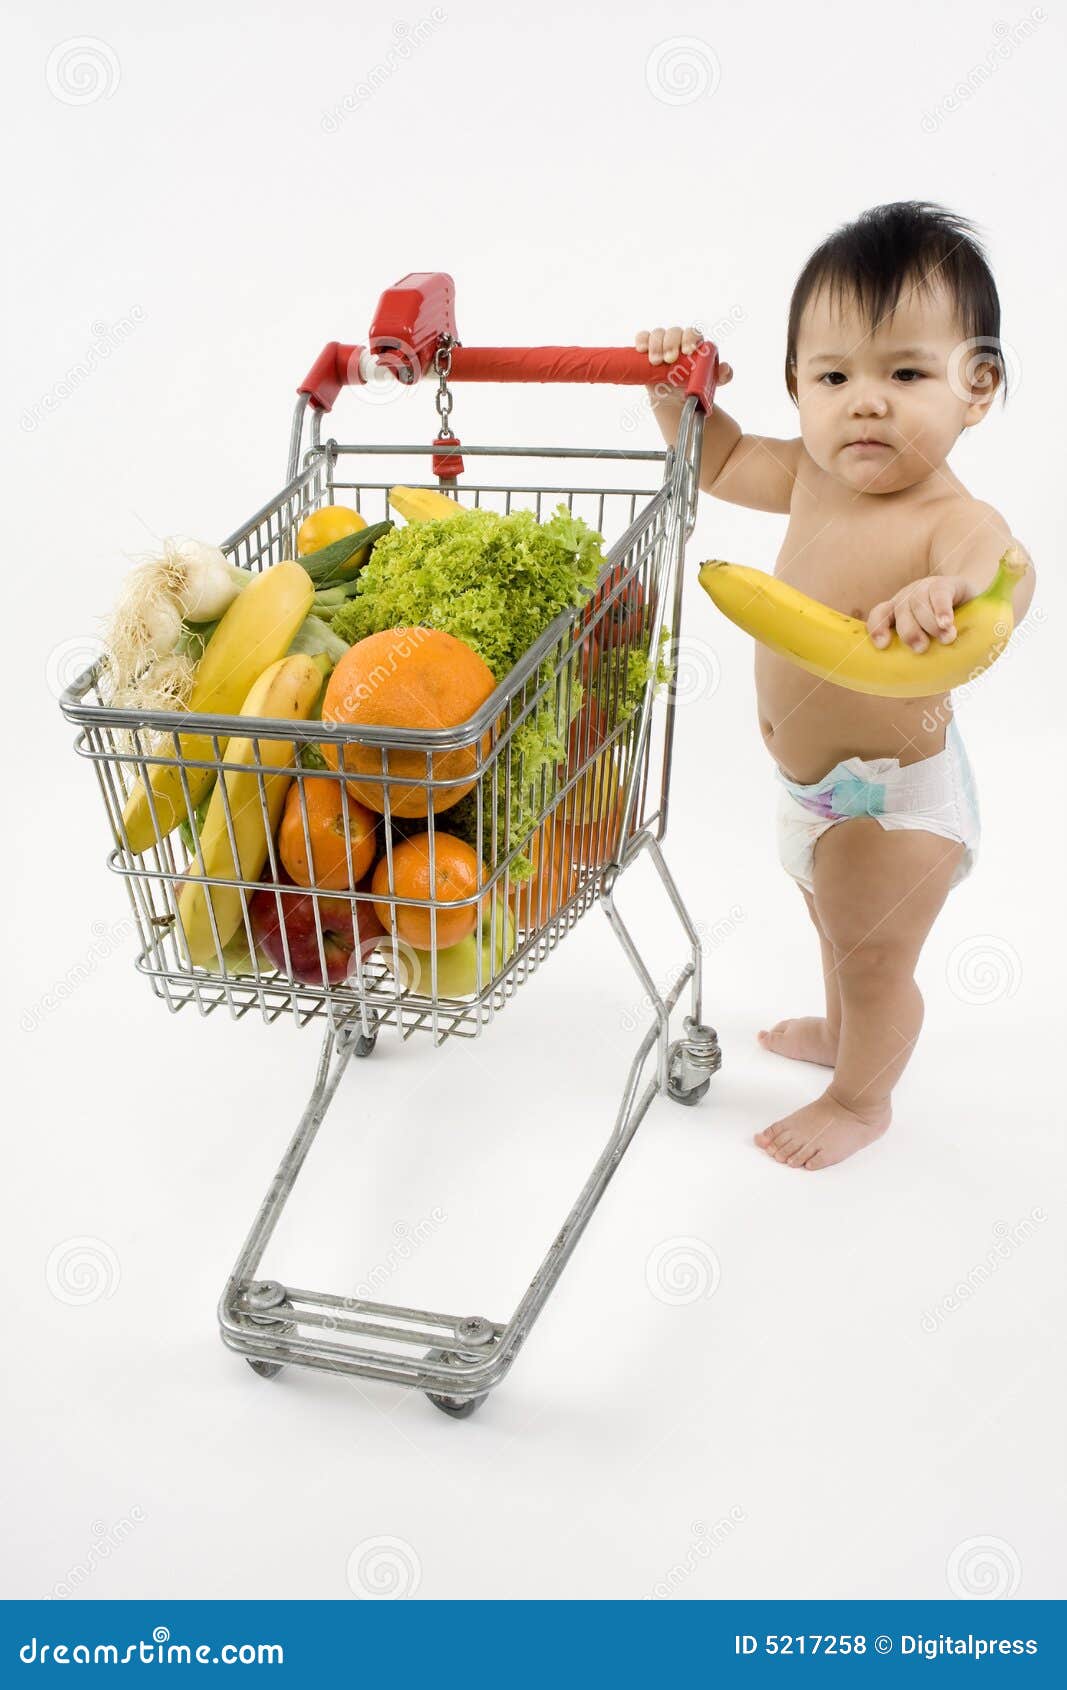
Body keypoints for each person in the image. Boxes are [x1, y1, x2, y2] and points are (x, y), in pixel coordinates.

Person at [637, 201, 1035, 1170]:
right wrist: (671, 395)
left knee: (872, 954)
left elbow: (1005, 571)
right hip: (810, 791)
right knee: (831, 923)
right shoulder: (808, 475)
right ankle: (838, 1025)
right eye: (832, 377)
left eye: (904, 374)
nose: (865, 402)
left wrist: (951, 591)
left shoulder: (948, 516)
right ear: (795, 388)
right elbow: (722, 458)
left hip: (897, 802)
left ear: (976, 386)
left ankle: (860, 1099)